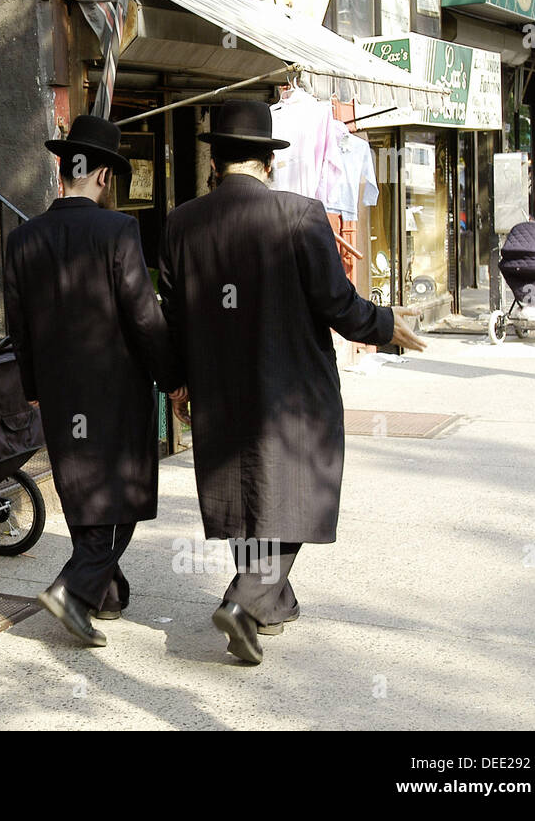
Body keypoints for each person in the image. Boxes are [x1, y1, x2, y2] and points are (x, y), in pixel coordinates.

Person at [158, 100, 425, 665]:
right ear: (269, 162)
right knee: (304, 486)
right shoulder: (301, 214)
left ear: (216, 163)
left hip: (218, 388)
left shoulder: (181, 223)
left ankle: (271, 604)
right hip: (294, 386)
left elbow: (173, 316)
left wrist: (178, 383)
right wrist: (386, 325)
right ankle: (245, 599)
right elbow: (337, 303)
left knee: (246, 492)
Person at [4, 115, 185, 647]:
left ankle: (105, 591)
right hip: (118, 389)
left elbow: (19, 327)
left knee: (83, 490)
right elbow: (144, 316)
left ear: (65, 171)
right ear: (104, 176)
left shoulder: (23, 238)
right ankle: (73, 589)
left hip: (60, 391)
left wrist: (33, 385)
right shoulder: (118, 230)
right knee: (125, 493)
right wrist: (173, 378)